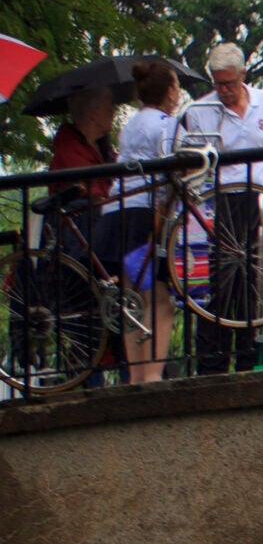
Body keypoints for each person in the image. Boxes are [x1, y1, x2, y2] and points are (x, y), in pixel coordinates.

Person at [173, 42, 263, 374]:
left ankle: (246, 359)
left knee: (250, 284)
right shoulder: (199, 110)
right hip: (219, 203)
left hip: (257, 200)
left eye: (229, 82)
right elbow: (187, 162)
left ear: (243, 74)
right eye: (218, 83)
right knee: (218, 285)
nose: (224, 90)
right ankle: (211, 364)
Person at [97, 57, 183, 381]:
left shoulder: (130, 124)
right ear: (170, 91)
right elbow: (172, 173)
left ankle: (135, 376)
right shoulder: (167, 125)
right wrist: (162, 218)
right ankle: (152, 375)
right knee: (159, 300)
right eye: (177, 86)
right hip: (144, 211)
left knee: (132, 299)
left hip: (116, 209)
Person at [48, 86, 118, 201]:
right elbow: (94, 194)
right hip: (88, 211)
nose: (113, 114)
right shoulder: (69, 152)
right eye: (109, 110)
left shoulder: (102, 147)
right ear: (93, 114)